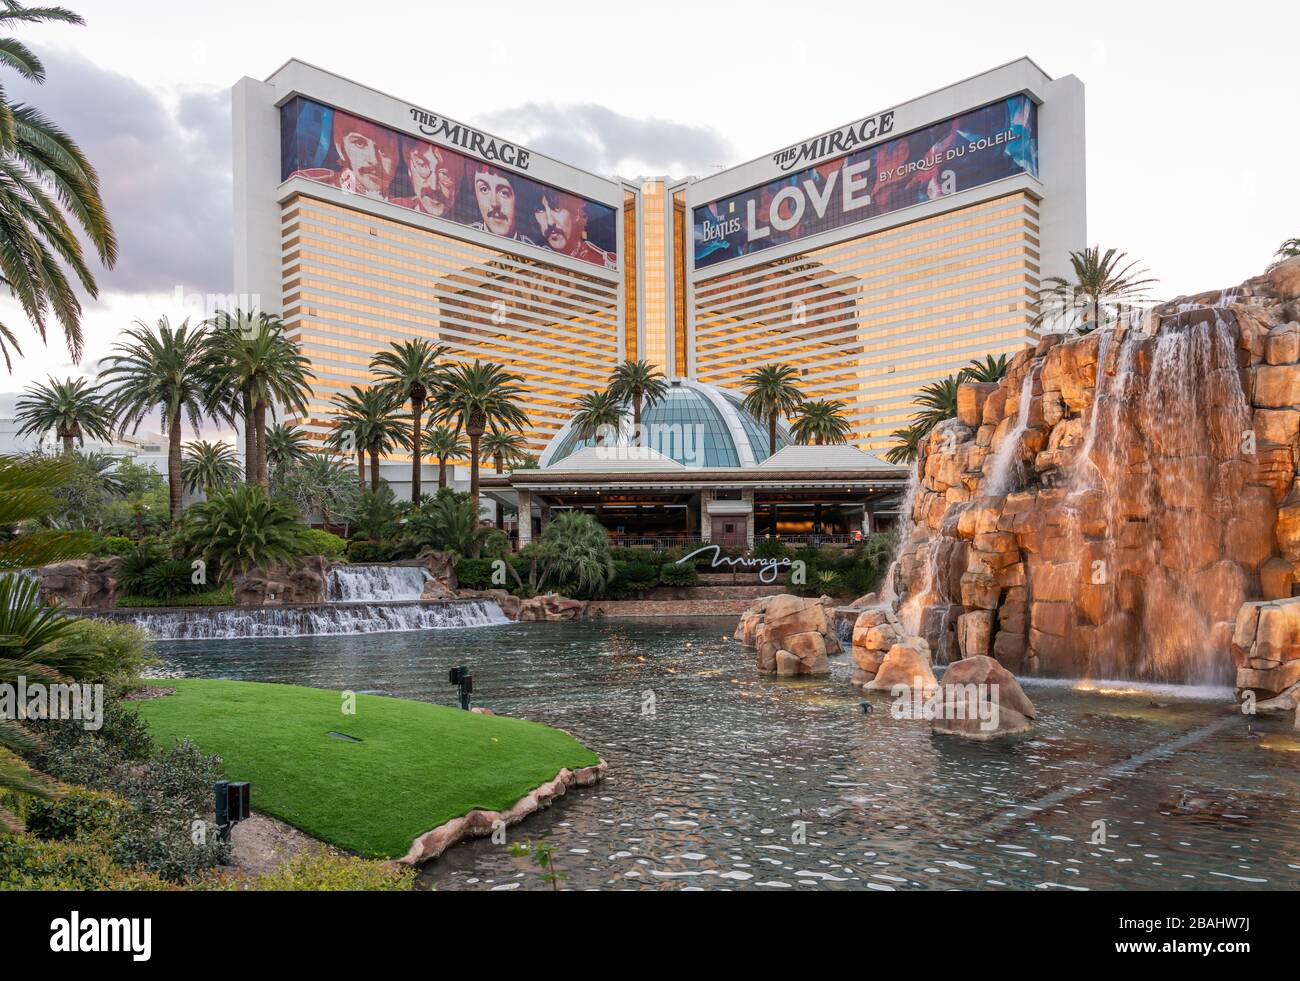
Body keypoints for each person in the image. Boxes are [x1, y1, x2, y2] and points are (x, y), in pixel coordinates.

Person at [290, 110, 397, 200]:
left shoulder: (403, 207)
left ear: (397, 159)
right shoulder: (313, 183)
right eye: (360, 144)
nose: (374, 160)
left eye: (383, 150)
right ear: (340, 147)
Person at [533, 188, 616, 268]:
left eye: (557, 207)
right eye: (540, 209)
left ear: (576, 215)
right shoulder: (531, 262)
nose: (550, 222)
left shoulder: (605, 264)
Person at [393, 137, 463, 219]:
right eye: (422, 165)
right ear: (409, 169)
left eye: (444, 174)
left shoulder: (468, 228)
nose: (433, 186)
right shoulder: (392, 209)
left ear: (458, 184)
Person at [468, 163, 537, 245]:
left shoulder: (533, 250)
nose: (494, 203)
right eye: (484, 189)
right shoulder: (464, 236)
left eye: (504, 193)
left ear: (519, 199)